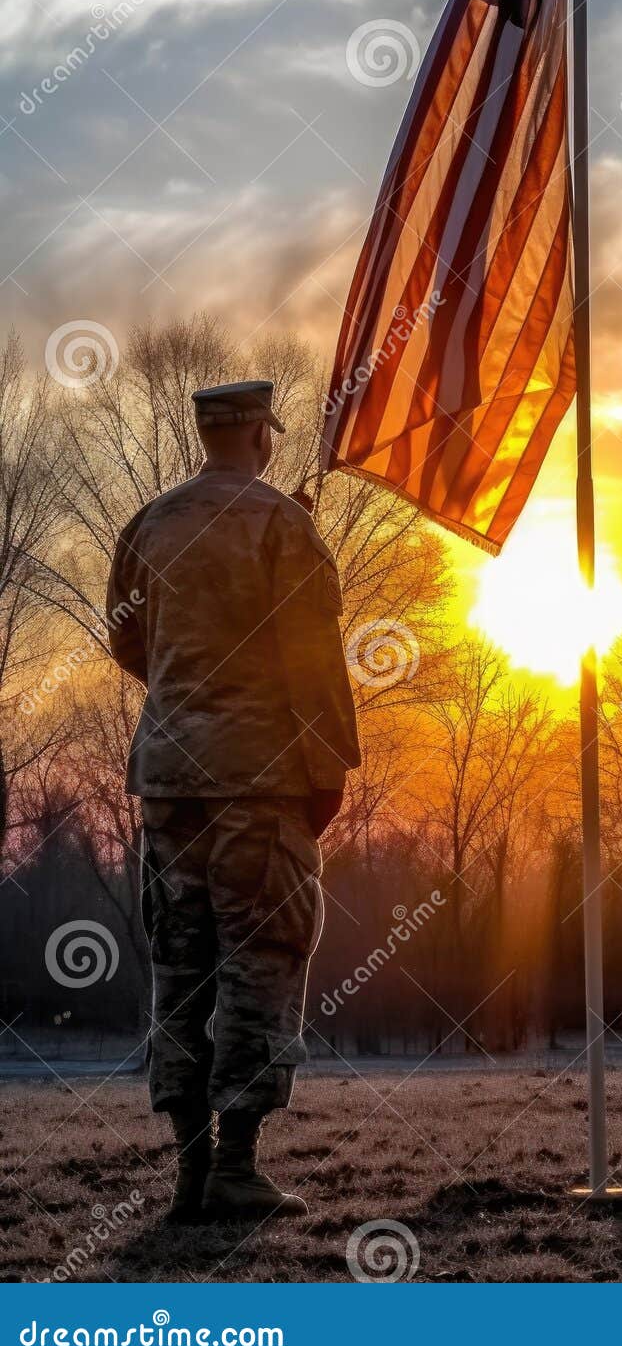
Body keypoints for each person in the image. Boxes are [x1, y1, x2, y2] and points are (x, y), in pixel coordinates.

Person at [106, 380, 360, 1222]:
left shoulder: (152, 523)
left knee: (179, 971)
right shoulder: (282, 524)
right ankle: (236, 1168)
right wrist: (325, 775)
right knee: (261, 963)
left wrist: (188, 704)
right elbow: (316, 662)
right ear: (260, 434)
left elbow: (128, 640)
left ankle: (188, 1169)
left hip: (170, 780)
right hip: (261, 780)